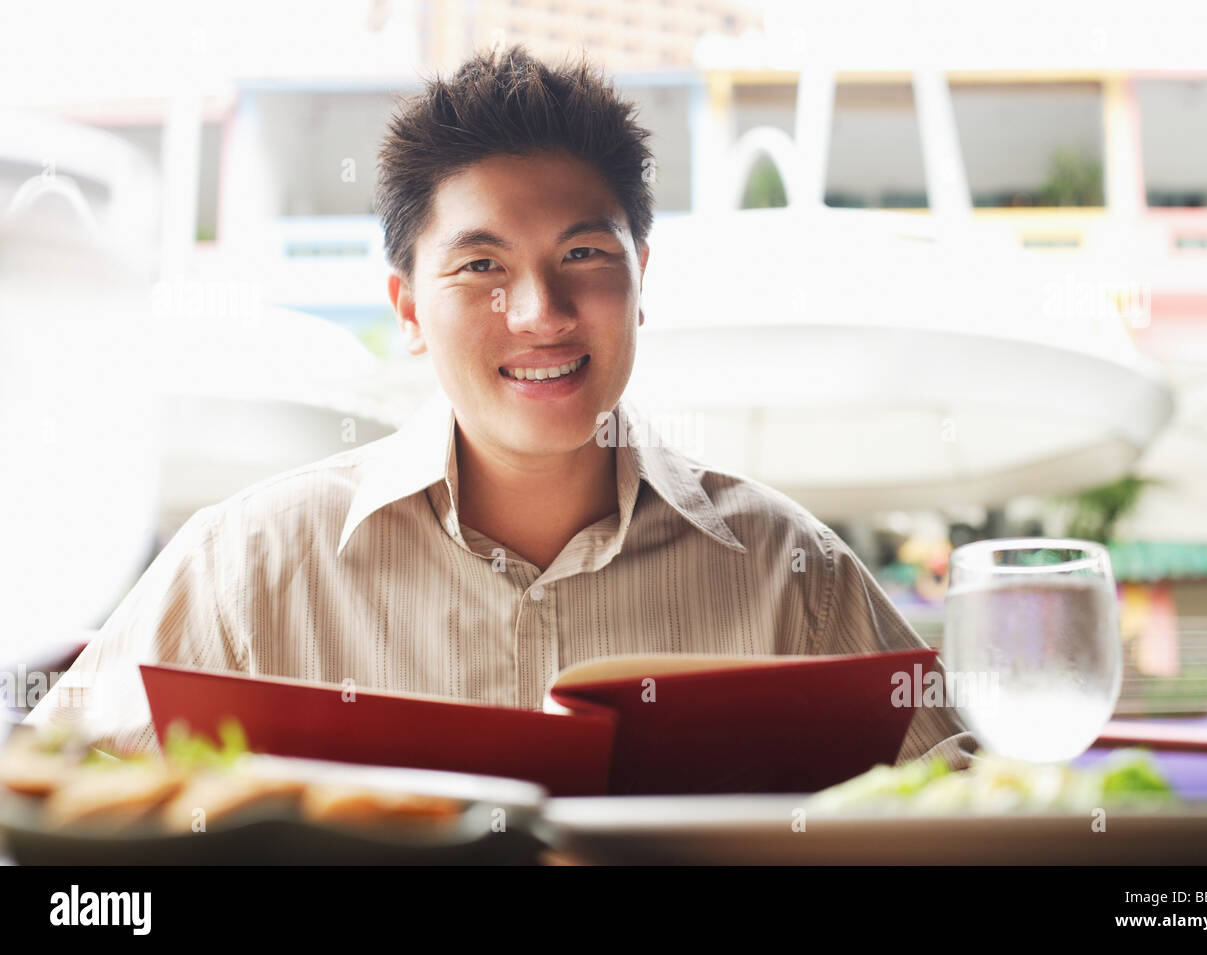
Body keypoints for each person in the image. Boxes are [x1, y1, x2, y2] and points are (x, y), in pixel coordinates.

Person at [25, 44, 976, 773]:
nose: (541, 313)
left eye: (585, 256)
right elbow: (47, 815)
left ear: (641, 279)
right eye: (481, 266)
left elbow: (974, 814)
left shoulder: (790, 574)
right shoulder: (246, 570)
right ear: (407, 310)